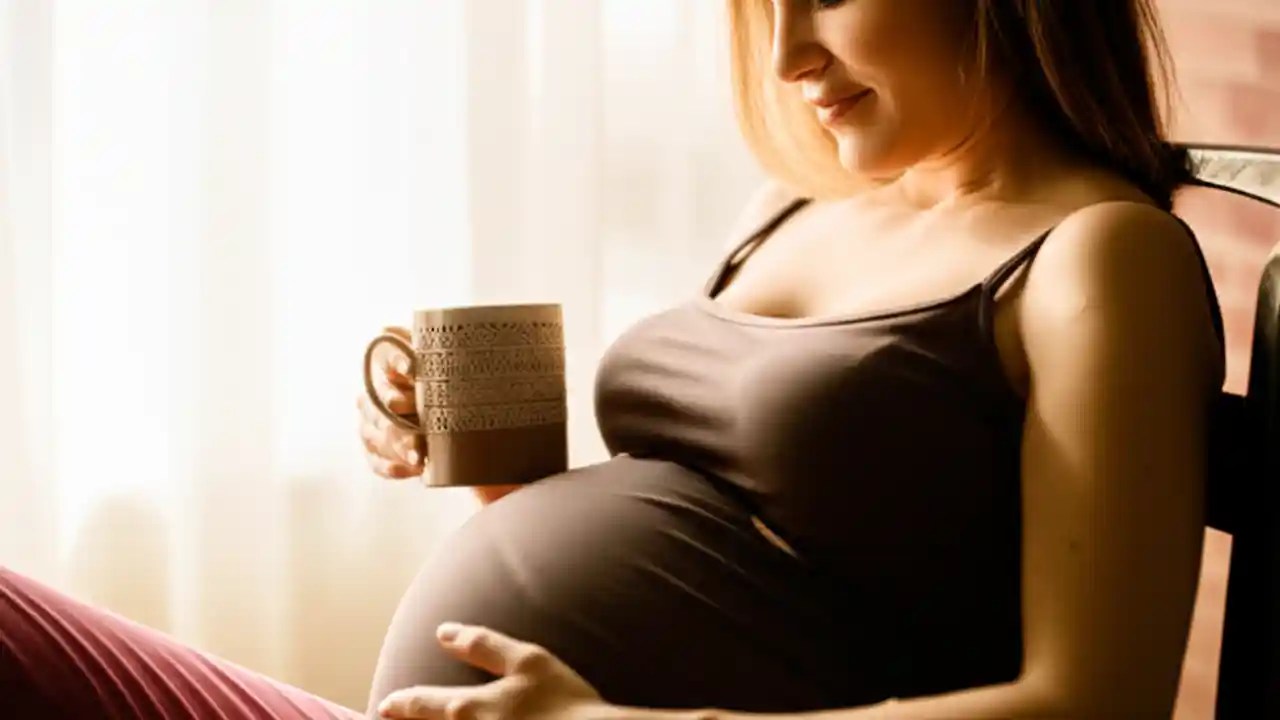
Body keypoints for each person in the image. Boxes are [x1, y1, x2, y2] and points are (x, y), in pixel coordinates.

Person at [2, 0, 1225, 718]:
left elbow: (1093, 704)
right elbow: (710, 556)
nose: (787, 58)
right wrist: (479, 467)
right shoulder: (791, 209)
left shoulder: (1094, 257)